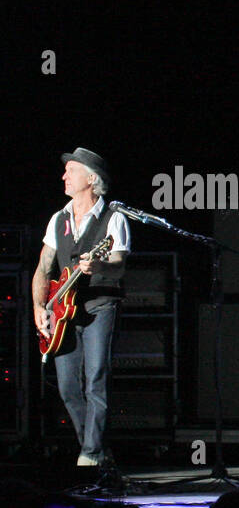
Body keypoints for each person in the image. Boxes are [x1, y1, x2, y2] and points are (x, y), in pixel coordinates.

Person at [32, 148, 131, 468]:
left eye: (71, 170)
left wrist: (99, 262)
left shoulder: (113, 217)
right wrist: (38, 307)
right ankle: (98, 453)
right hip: (62, 314)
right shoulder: (58, 219)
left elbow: (118, 263)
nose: (64, 176)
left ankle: (89, 456)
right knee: (67, 388)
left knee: (96, 380)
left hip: (100, 306)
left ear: (91, 179)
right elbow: (43, 269)